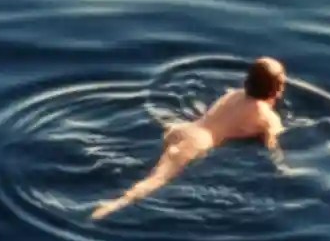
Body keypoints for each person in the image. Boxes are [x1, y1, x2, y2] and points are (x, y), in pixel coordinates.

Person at [91, 57, 288, 220]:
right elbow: (272, 146)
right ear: (277, 89)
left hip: (182, 128)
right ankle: (112, 207)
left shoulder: (234, 95)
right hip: (198, 142)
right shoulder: (268, 117)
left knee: (156, 168)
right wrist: (282, 167)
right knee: (157, 179)